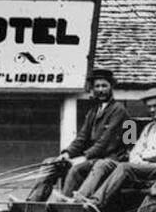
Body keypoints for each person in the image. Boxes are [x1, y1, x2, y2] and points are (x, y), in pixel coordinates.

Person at [73, 86, 156, 211]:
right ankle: (79, 198)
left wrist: (143, 157)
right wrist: (139, 159)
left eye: (155, 106)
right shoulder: (150, 127)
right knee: (103, 164)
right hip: (145, 167)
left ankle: (96, 202)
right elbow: (135, 152)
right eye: (149, 107)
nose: (152, 110)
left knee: (125, 167)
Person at [27, 68, 126, 201]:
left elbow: (105, 142)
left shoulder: (118, 110)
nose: (100, 90)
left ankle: (63, 206)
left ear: (111, 87)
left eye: (104, 86)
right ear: (92, 88)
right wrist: (67, 154)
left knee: (76, 169)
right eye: (97, 86)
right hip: (92, 158)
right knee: (50, 163)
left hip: (108, 158)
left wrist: (84, 157)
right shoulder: (93, 111)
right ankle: (32, 203)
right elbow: (82, 138)